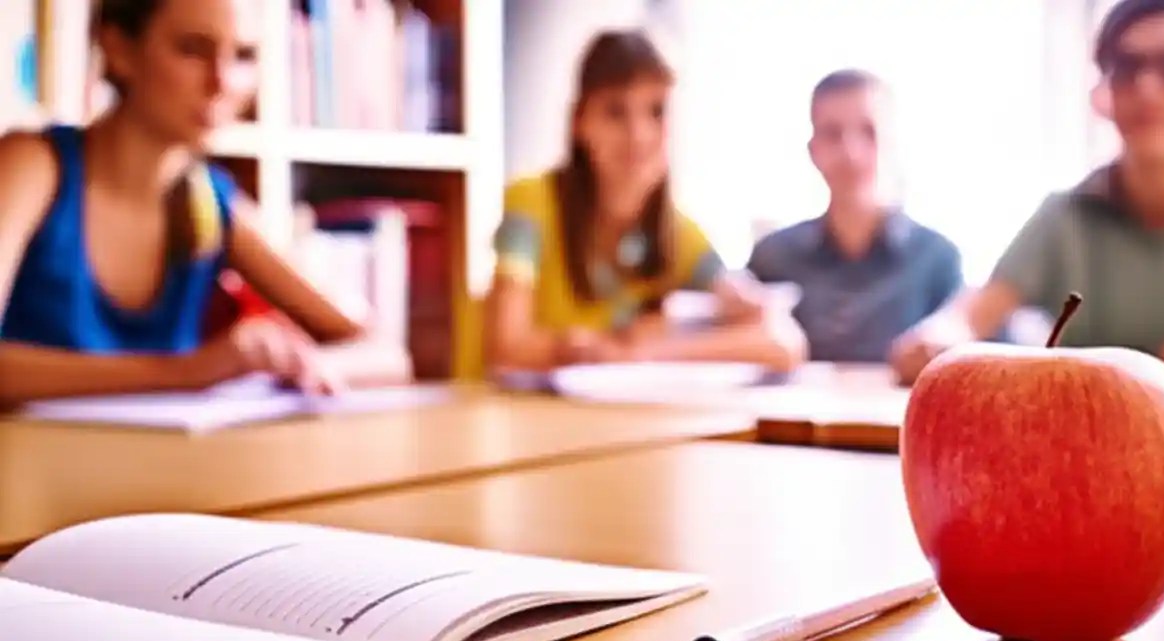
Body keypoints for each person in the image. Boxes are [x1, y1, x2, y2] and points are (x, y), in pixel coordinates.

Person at [0, 0, 408, 408]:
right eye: (193, 49)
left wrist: (301, 364)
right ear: (119, 48)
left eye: (244, 55)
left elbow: (386, 353)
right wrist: (185, 373)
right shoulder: (34, 165)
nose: (223, 81)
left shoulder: (212, 204)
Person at [890, 0, 1164, 394]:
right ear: (1101, 95)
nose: (1147, 88)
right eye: (1127, 68)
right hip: (1100, 451)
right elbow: (971, 315)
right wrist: (936, 340)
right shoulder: (1065, 217)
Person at [484, 30, 807, 372]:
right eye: (615, 111)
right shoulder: (530, 203)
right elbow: (507, 345)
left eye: (656, 111)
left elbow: (783, 341)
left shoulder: (681, 235)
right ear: (579, 122)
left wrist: (642, 352)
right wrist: (599, 347)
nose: (639, 134)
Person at [747, 69, 963, 363]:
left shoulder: (938, 259)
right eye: (833, 134)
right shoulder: (772, 257)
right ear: (813, 150)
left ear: (893, 141)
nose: (851, 152)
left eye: (869, 132)